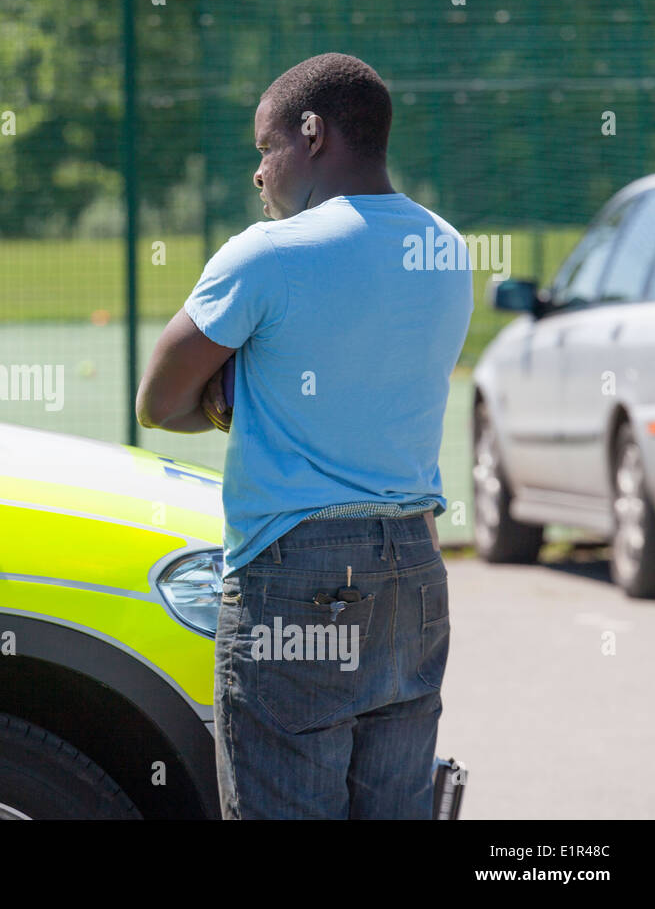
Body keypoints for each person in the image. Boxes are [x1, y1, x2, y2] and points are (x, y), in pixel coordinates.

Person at [136, 53, 472, 819]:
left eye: (266, 148)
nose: (259, 174)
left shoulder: (269, 254)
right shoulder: (447, 248)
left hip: (296, 571)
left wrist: (232, 401)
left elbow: (157, 401)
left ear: (312, 133)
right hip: (415, 567)